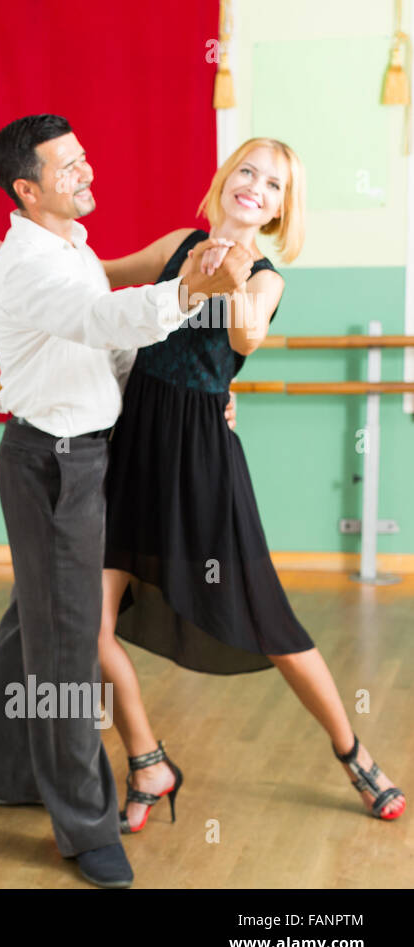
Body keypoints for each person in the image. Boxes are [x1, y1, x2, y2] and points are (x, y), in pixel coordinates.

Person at [97, 137, 406, 832]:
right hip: (134, 447)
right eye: (248, 172)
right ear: (224, 178)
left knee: (271, 623)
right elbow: (101, 274)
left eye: (274, 187)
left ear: (277, 211)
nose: (256, 188)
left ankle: (352, 751)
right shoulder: (179, 243)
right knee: (91, 626)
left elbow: (246, 339)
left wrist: (232, 271)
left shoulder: (266, 279)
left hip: (202, 459)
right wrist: (42, 247)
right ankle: (148, 760)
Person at [0, 114, 252, 888]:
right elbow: (101, 319)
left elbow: (114, 352)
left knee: (27, 622)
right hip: (54, 465)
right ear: (27, 189)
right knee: (66, 645)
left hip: (84, 458)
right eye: (67, 167)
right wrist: (190, 286)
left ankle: (16, 776)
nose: (85, 171)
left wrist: (203, 402)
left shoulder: (71, 248)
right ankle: (86, 826)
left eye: (83, 157)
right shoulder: (28, 264)